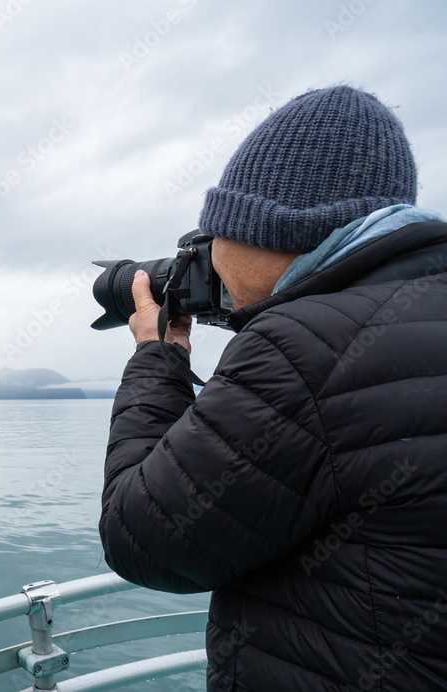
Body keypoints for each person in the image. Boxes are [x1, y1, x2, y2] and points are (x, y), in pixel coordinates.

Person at [98, 84, 447, 691]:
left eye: (216, 236)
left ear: (275, 232)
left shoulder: (306, 346)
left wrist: (160, 355)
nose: (210, 257)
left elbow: (144, 536)